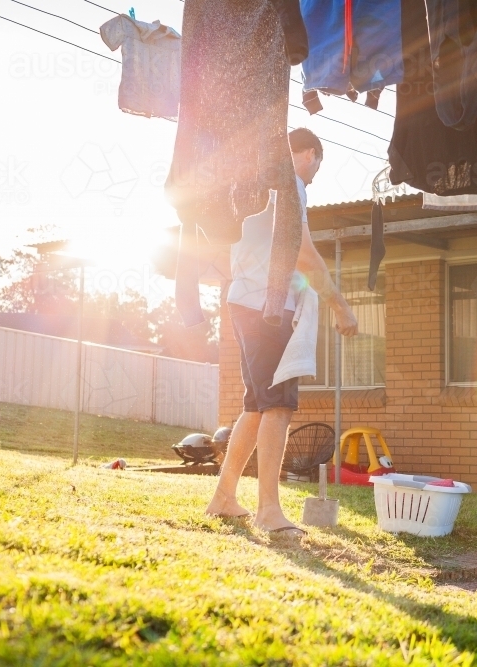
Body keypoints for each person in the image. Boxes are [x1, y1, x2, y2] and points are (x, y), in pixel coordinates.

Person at [205, 128, 358, 537]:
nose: (312, 178)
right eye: (316, 167)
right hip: (268, 308)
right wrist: (340, 307)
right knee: (278, 407)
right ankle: (268, 510)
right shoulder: (289, 184)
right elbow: (304, 253)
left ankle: (223, 497)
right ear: (308, 154)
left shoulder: (252, 185)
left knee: (257, 406)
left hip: (244, 301)